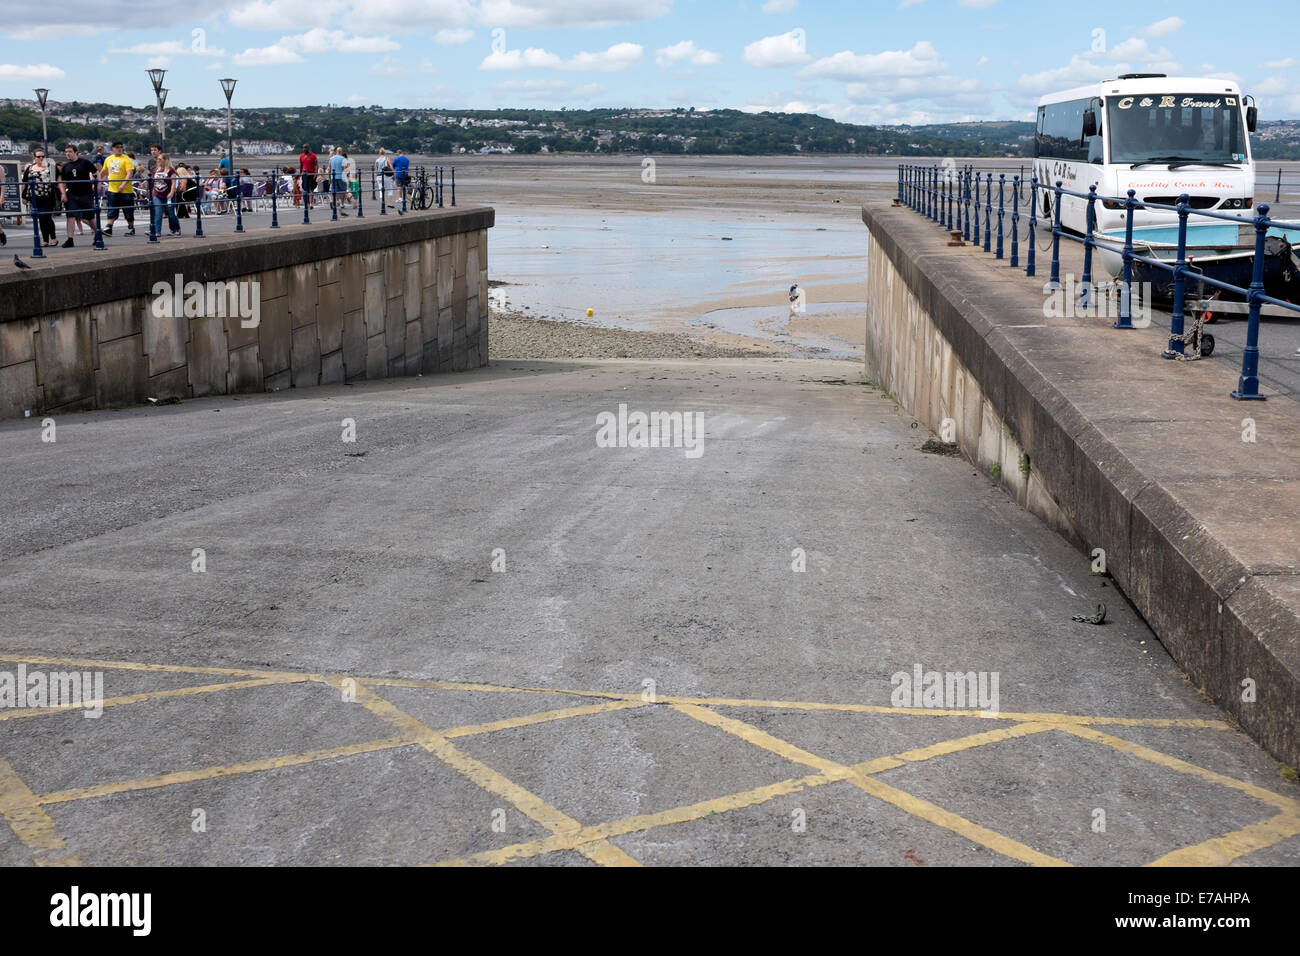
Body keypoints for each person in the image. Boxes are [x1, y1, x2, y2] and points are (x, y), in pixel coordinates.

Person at [57, 143, 97, 247]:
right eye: (66, 152)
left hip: (86, 193)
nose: (67, 154)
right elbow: (61, 181)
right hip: (72, 194)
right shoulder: (66, 167)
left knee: (90, 217)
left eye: (70, 151)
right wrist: (63, 194)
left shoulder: (85, 163)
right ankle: (70, 239)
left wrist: (98, 185)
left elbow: (97, 173)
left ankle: (98, 233)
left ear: (75, 152)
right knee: (70, 216)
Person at [23, 148, 60, 247]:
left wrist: (62, 193)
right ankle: (45, 240)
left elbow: (58, 178)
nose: (41, 158)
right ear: (34, 158)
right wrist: (24, 197)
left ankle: (52, 238)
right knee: (42, 218)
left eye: (43, 156)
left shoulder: (50, 166)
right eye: (38, 156)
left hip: (47, 196)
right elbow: (25, 183)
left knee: (45, 216)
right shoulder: (30, 168)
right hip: (34, 198)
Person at [99, 142, 135, 236]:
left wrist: (123, 184)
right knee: (112, 209)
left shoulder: (126, 159)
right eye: (117, 147)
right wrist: (97, 181)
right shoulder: (108, 159)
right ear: (113, 149)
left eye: (121, 147)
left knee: (128, 211)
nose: (119, 149)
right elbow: (103, 172)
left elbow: (129, 173)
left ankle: (131, 227)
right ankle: (109, 228)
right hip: (112, 189)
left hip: (126, 190)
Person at [151, 152, 181, 236]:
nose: (158, 161)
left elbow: (173, 183)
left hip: (168, 195)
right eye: (157, 159)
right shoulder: (155, 170)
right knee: (158, 212)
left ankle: (176, 228)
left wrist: (171, 192)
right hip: (157, 194)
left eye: (160, 159)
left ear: (165, 160)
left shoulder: (171, 171)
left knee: (171, 214)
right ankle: (157, 231)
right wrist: (152, 191)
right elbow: (154, 182)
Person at [299, 143, 318, 208]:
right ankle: (307, 203)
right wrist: (300, 174)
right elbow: (301, 165)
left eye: (306, 147)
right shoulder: (301, 156)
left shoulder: (313, 155)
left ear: (308, 148)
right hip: (304, 175)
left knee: (311, 189)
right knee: (305, 189)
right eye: (303, 148)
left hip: (311, 174)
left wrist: (315, 173)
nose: (304, 149)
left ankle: (311, 203)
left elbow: (316, 165)